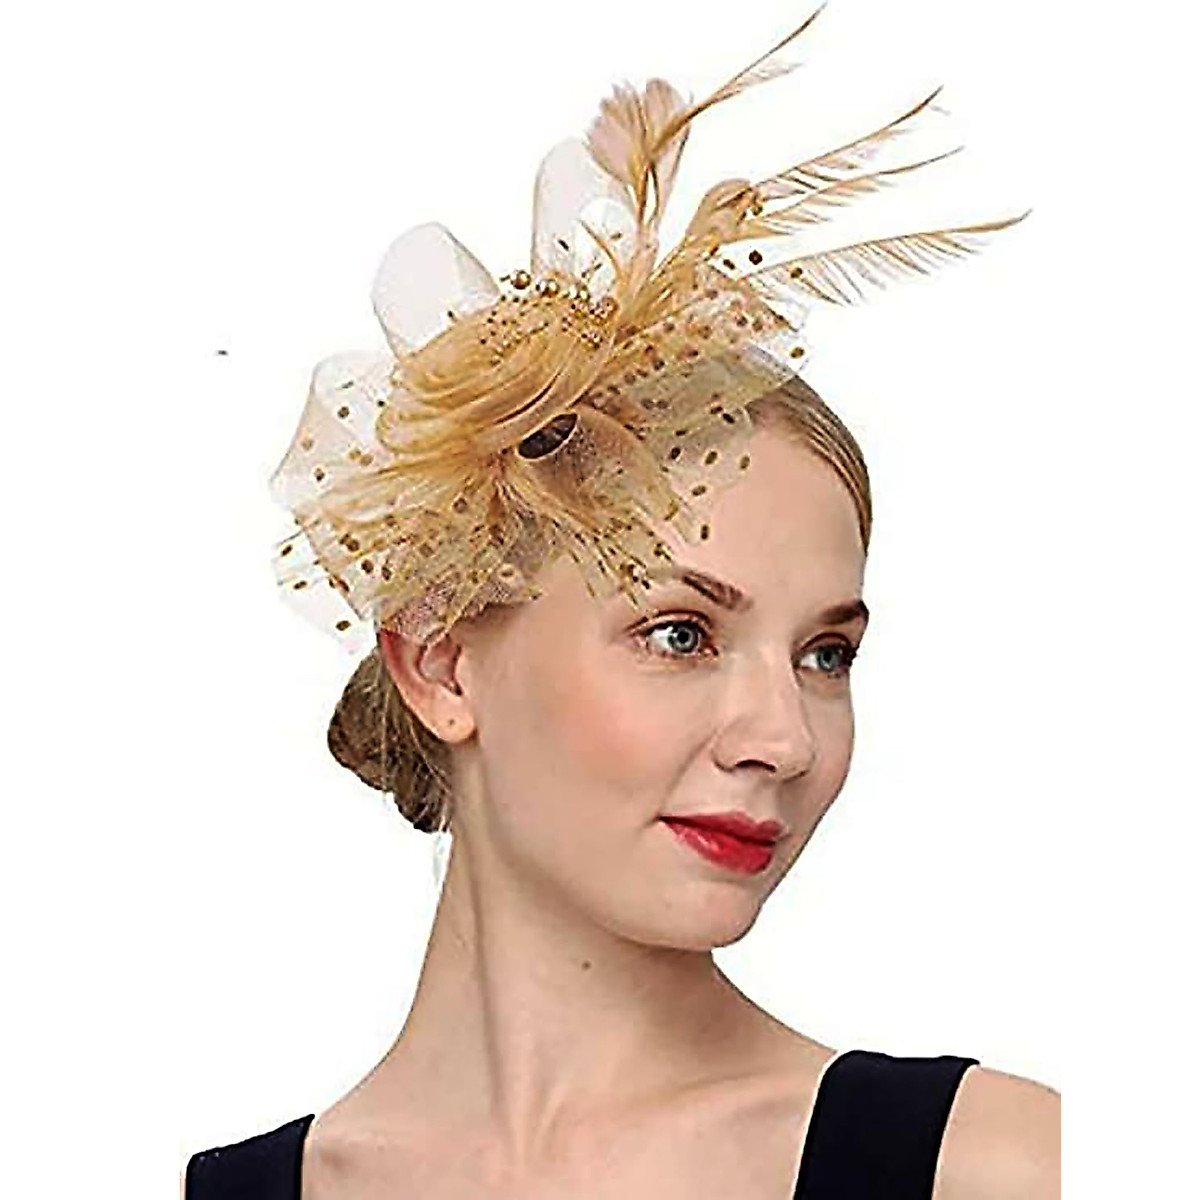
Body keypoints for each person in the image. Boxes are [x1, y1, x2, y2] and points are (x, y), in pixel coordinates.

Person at [184, 10, 1058, 1198]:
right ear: (441, 663)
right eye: (682, 634)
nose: (786, 740)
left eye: (825, 655)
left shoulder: (995, 1165)